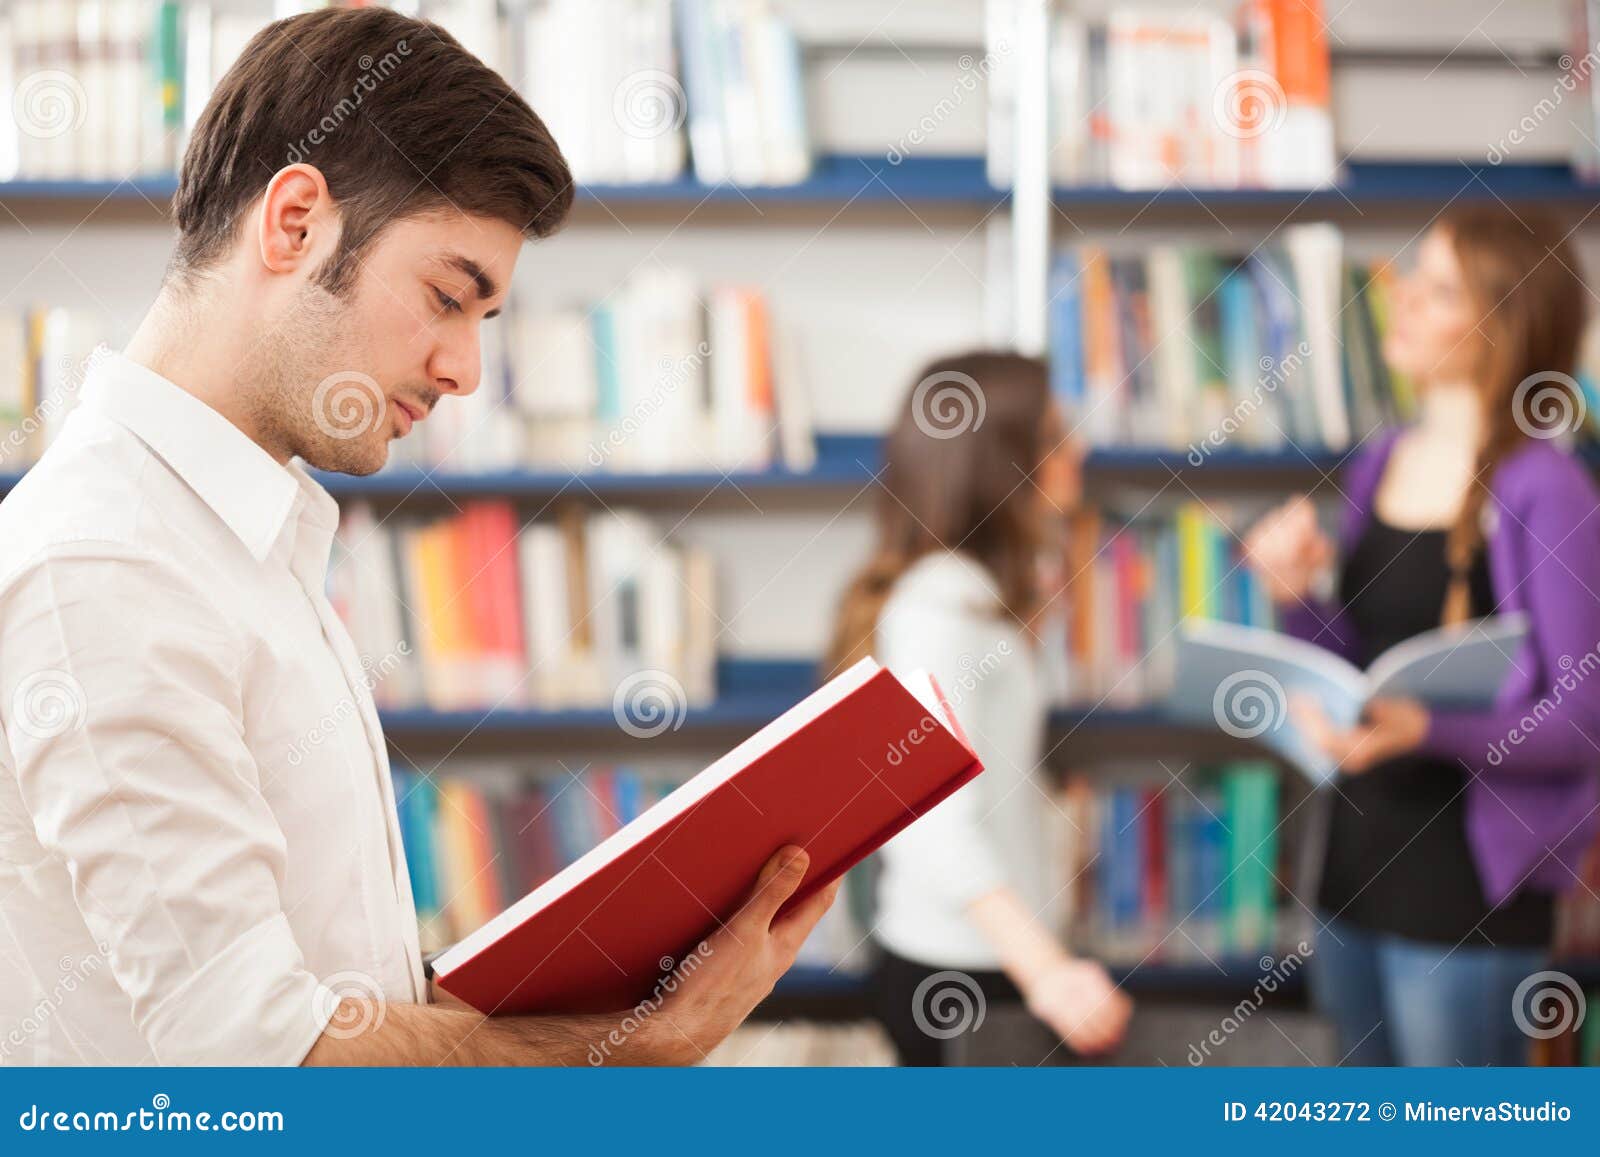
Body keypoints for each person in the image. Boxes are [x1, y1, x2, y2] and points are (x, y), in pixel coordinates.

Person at [0, 7, 838, 1066]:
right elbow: (261, 1054)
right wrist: (620, 1050)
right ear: (293, 225)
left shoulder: (246, 535)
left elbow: (325, 979)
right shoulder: (105, 564)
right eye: (447, 297)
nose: (464, 371)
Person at [1244, 208, 1600, 1066]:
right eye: (1413, 276)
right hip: (1351, 872)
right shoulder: (1382, 460)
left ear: (1505, 323)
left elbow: (1583, 720)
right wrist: (1296, 598)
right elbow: (1361, 675)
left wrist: (1426, 729)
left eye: (1439, 291)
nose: (1400, 299)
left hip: (1466, 893)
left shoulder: (1548, 487)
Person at [827, 351, 1133, 1065]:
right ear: (1001, 463)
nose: (1078, 451)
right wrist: (1045, 969)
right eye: (1054, 436)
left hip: (989, 955)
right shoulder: (940, 606)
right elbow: (922, 810)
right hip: (959, 969)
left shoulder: (975, 595)